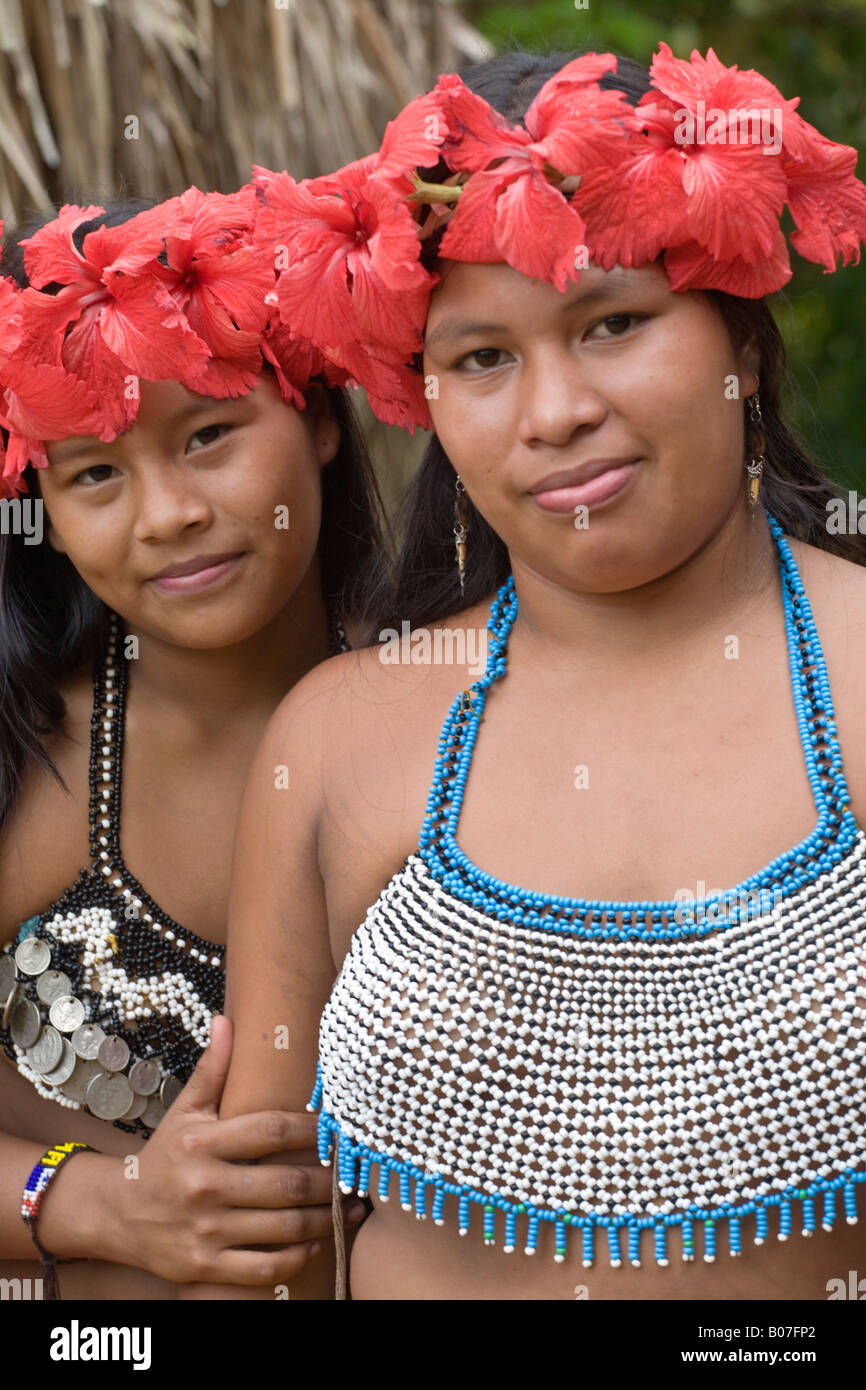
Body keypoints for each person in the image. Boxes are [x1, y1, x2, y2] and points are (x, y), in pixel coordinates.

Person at [209, 44, 866, 1299]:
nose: (551, 410)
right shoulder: (337, 744)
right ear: (426, 399)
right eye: (481, 359)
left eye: (611, 321)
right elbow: (265, 1243)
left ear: (742, 337)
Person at [0, 186, 382, 1298]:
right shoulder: (31, 749)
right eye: (95, 474)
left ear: (315, 415)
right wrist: (102, 1203)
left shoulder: (451, 715)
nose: (165, 512)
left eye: (209, 434)